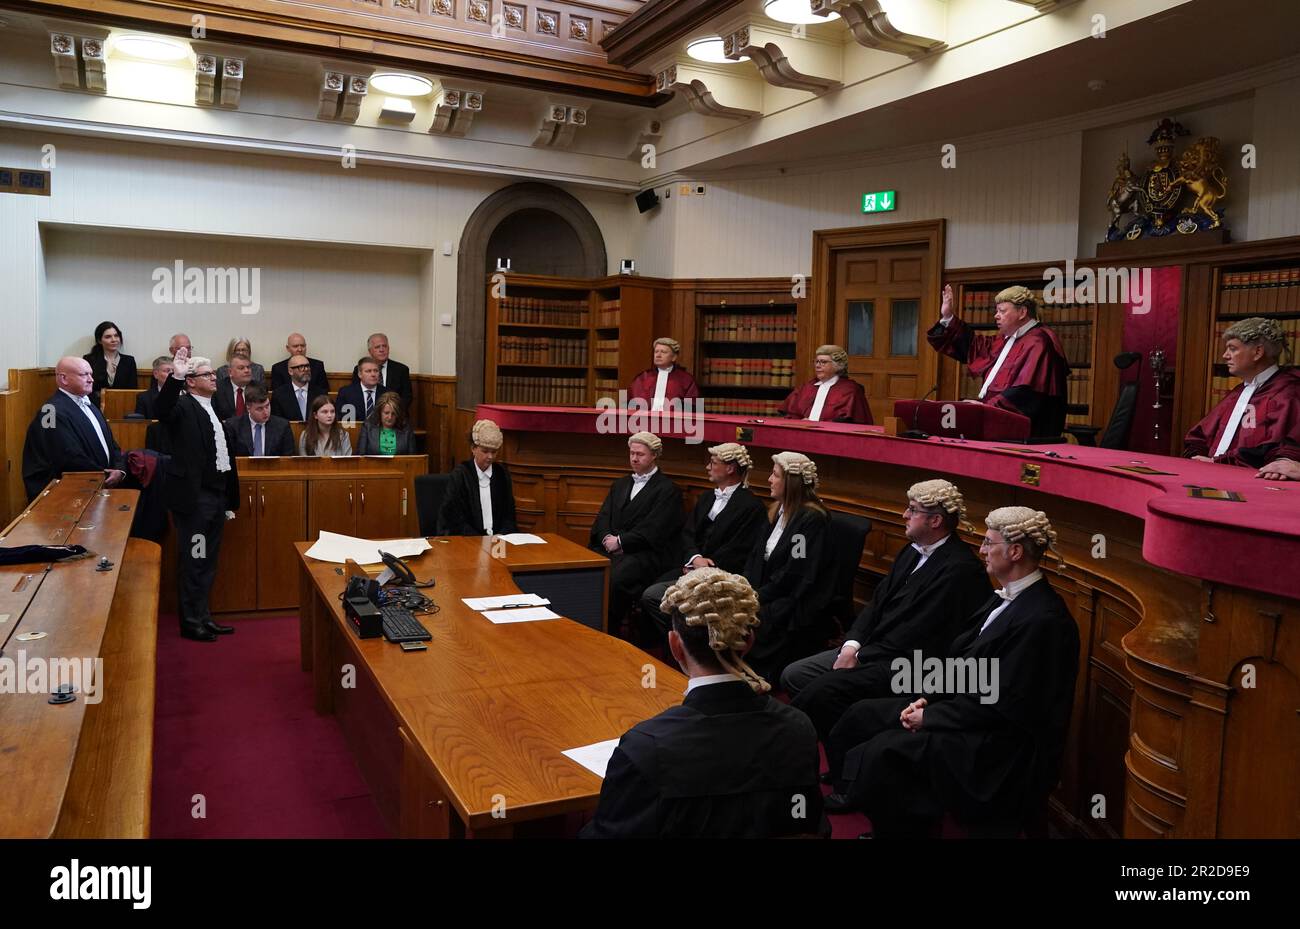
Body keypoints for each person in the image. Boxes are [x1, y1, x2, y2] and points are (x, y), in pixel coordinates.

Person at [824, 507, 1079, 836]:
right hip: (965, 710)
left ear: (1014, 552)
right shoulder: (1006, 599)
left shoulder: (1043, 619)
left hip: (1000, 744)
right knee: (862, 715)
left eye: (989, 543)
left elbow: (1004, 702)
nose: (982, 551)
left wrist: (930, 717)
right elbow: (964, 664)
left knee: (885, 751)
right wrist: (926, 699)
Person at [581, 568, 826, 839]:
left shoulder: (644, 747)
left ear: (675, 645)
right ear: (749, 641)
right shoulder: (799, 729)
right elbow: (806, 822)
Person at [781, 479, 991, 741]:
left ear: (935, 521)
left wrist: (861, 657)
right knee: (794, 675)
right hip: (871, 647)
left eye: (912, 510)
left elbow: (917, 633)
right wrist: (851, 646)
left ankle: (839, 751)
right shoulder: (911, 550)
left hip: (906, 664)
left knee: (821, 690)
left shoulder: (960, 570)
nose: (904, 515)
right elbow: (876, 604)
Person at [638, 442, 766, 641]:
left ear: (730, 468)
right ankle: (679, 644)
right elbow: (687, 533)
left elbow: (739, 549)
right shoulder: (706, 497)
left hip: (721, 576)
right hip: (691, 566)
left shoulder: (751, 505)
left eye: (713, 463)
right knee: (649, 589)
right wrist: (694, 558)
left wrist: (704, 569)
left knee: (653, 595)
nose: (708, 467)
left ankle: (689, 645)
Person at [156, 347, 240, 642]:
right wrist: (174, 378)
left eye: (214, 373)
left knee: (208, 561)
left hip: (216, 498)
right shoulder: (182, 406)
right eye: (207, 374)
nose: (214, 378)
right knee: (194, 560)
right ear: (191, 380)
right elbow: (161, 410)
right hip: (195, 500)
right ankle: (191, 622)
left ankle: (204, 616)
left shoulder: (213, 408)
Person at [927, 284, 1069, 437]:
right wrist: (948, 317)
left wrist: (984, 408)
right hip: (999, 425)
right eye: (997, 310)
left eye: (1002, 311)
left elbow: (1025, 393)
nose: (996, 315)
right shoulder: (1008, 339)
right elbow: (974, 346)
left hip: (1027, 434)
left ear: (1022, 312)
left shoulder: (1039, 342)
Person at [742, 451, 831, 683]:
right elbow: (755, 557)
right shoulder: (776, 512)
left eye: (775, 475)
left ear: (791, 482)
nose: (769, 480)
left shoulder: (810, 519)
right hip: (767, 592)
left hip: (790, 600)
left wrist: (755, 597)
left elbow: (795, 571)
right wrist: (744, 589)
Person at [589, 432, 684, 630]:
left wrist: (622, 542)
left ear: (654, 455)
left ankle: (608, 630)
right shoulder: (620, 484)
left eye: (640, 454)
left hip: (643, 554)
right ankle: (585, 621)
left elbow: (656, 528)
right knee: (585, 568)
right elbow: (604, 516)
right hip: (610, 548)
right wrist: (607, 537)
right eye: (632, 453)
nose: (634, 458)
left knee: (615, 580)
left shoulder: (668, 489)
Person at [1184, 317, 1300, 468]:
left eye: (1232, 348)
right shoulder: (1236, 393)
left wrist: (1217, 463)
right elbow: (1198, 437)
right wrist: (1196, 458)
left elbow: (1278, 451)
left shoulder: (1288, 394)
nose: (1225, 355)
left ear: (1258, 352)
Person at [22, 356, 127, 500]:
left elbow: (110, 443)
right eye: (84, 375)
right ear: (64, 379)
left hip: (99, 485)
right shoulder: (49, 411)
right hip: (65, 493)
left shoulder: (90, 404)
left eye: (91, 374)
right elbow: (65, 455)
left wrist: (119, 468)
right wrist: (105, 474)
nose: (91, 379)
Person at [438, 419, 518, 536]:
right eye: (485, 451)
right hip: (469, 541)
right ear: (473, 448)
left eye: (494, 452)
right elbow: (454, 519)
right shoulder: (461, 475)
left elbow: (509, 516)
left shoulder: (502, 474)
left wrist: (501, 535)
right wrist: (479, 539)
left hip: (498, 542)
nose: (490, 457)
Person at [778, 344, 871, 424]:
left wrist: (817, 424)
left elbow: (849, 422)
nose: (818, 365)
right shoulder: (807, 387)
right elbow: (791, 414)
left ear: (838, 365)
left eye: (823, 362)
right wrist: (800, 423)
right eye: (816, 361)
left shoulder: (850, 390)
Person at [626, 337, 700, 412]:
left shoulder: (686, 380)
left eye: (663, 352)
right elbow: (629, 405)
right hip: (644, 421)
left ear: (674, 357)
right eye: (656, 351)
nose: (658, 355)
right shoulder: (642, 378)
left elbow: (694, 408)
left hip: (674, 422)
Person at [223, 384, 295, 457]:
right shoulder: (233, 426)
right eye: (260, 409)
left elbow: (288, 459)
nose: (266, 412)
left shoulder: (282, 426)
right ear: (248, 408)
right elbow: (229, 457)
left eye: (267, 406)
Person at [83, 320, 138, 406]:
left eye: (116, 336)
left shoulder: (129, 361)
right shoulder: (89, 359)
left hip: (122, 405)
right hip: (95, 405)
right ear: (99, 340)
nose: (114, 340)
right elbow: (86, 388)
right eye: (108, 337)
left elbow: (132, 390)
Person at [351, 333, 412, 407]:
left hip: (394, 414)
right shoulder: (360, 369)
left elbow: (406, 397)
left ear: (388, 349)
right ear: (370, 351)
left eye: (384, 346)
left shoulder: (401, 370)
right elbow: (355, 394)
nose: (382, 350)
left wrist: (392, 411)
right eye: (377, 347)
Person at [271, 353, 327, 422]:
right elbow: (277, 422)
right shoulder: (279, 395)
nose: (306, 369)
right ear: (290, 371)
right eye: (301, 367)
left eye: (307, 366)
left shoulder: (320, 393)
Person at [337, 357, 383, 424]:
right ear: (360, 374)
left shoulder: (387, 393)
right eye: (368, 371)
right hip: (355, 432)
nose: (373, 374)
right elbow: (346, 423)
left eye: (376, 371)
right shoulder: (346, 393)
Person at [213, 355, 256, 423]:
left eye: (248, 367)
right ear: (230, 372)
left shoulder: (258, 388)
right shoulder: (218, 389)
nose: (247, 370)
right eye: (241, 368)